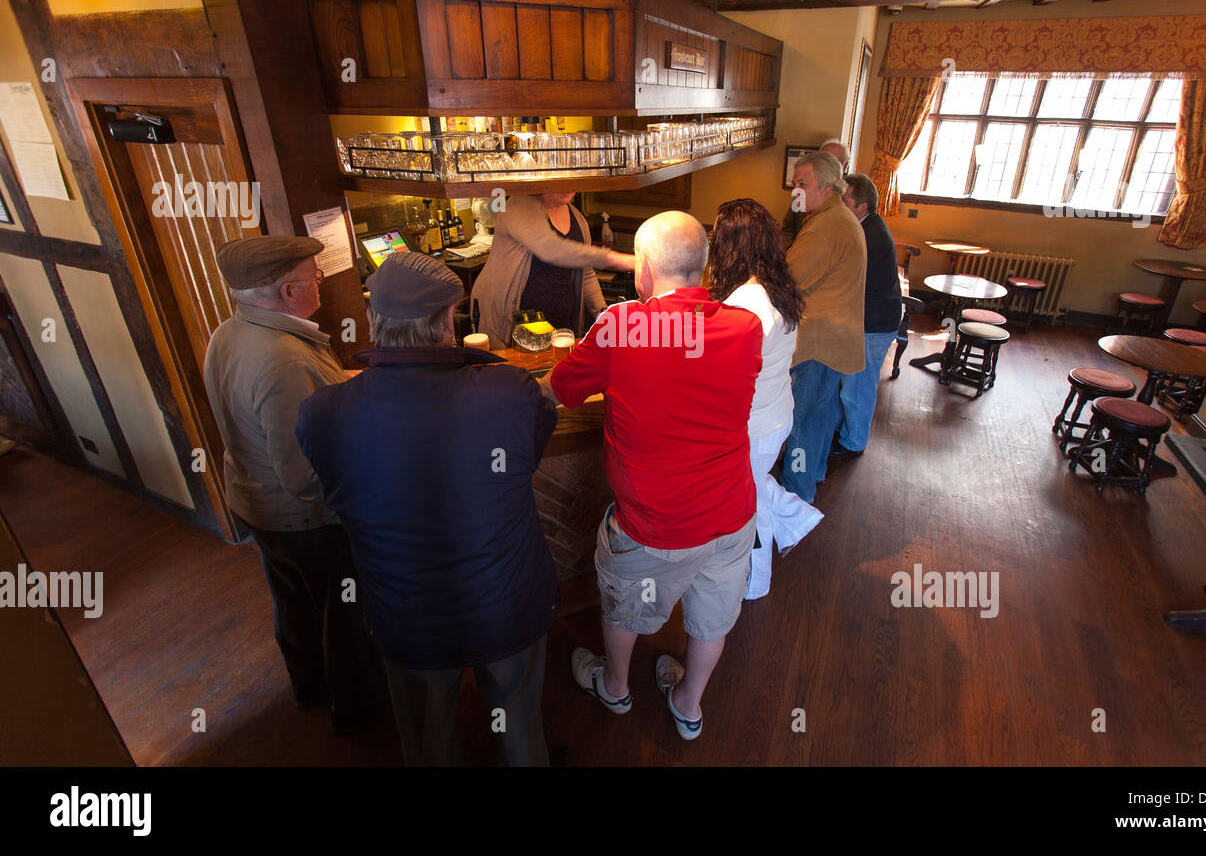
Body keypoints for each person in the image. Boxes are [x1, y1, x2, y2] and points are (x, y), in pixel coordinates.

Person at [296, 251, 558, 766]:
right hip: (506, 605)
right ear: (447, 324)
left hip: (408, 615)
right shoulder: (510, 391)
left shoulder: (323, 412)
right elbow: (529, 457)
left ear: (373, 322)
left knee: (428, 743)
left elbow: (332, 492)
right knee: (520, 728)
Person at [541, 211, 762, 741]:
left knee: (626, 604)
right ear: (704, 266)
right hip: (733, 516)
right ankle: (688, 704)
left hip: (655, 526)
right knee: (712, 619)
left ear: (643, 269)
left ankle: (614, 687)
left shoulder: (622, 327)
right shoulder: (746, 326)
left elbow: (557, 389)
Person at [203, 235, 383, 732]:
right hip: (303, 518)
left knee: (293, 603)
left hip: (254, 502)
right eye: (315, 275)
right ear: (288, 292)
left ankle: (308, 687)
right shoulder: (286, 358)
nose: (319, 281)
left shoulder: (229, 332)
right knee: (344, 614)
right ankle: (359, 712)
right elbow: (302, 474)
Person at [706, 199, 823, 600]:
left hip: (754, 425)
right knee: (754, 486)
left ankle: (755, 584)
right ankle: (796, 516)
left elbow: (723, 372)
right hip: (775, 413)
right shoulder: (775, 288)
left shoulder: (747, 304)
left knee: (747, 503)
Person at [781, 152, 867, 504]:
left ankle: (794, 497)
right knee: (817, 421)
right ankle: (810, 478)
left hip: (818, 344)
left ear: (829, 188)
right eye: (794, 184)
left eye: (802, 184)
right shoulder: (836, 218)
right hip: (834, 342)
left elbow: (788, 280)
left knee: (801, 425)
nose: (795, 192)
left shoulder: (826, 227)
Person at [471, 192, 634, 349]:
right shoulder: (519, 204)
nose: (566, 187)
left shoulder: (577, 217)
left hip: (561, 320)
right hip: (511, 320)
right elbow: (551, 248)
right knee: (514, 373)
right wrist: (618, 259)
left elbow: (586, 274)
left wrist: (602, 313)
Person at [833, 174, 902, 457]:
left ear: (860, 206)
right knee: (853, 385)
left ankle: (853, 443)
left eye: (844, 200)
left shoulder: (868, 236)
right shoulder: (868, 227)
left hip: (874, 324)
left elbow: (846, 280)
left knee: (857, 389)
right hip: (874, 319)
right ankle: (849, 432)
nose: (840, 203)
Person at [782, 138, 849, 249]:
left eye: (832, 161)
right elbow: (788, 226)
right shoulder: (801, 192)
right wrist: (792, 248)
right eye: (821, 160)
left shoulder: (848, 199)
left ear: (845, 165)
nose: (825, 166)